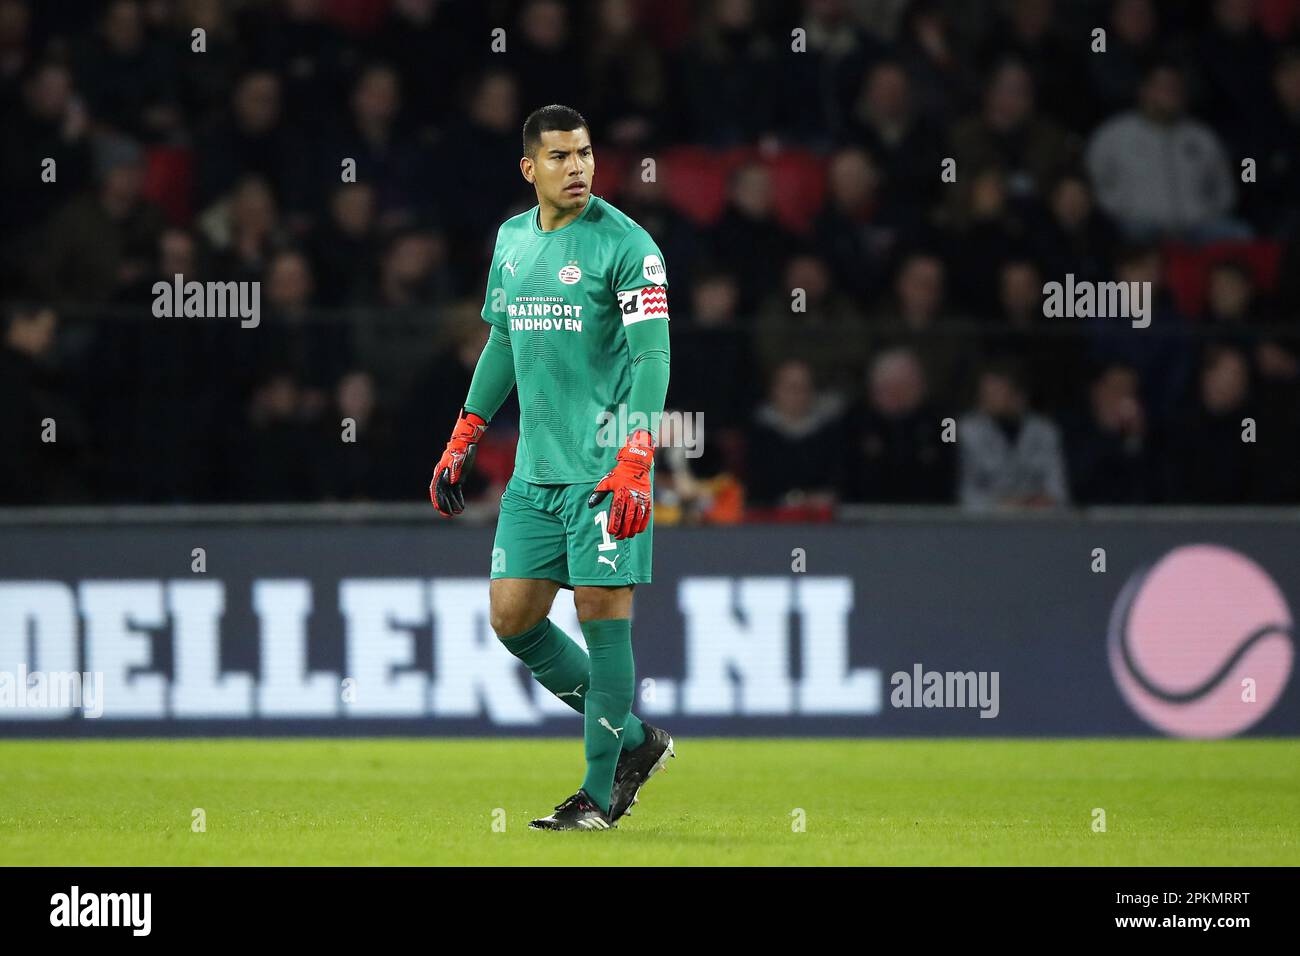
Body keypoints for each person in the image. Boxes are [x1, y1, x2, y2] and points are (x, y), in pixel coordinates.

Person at [429, 105, 674, 831]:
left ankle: (599, 795)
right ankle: (633, 741)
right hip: (535, 475)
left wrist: (636, 453)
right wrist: (464, 432)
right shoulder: (510, 241)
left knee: (602, 617)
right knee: (512, 619)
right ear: (529, 168)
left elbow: (651, 357)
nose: (578, 168)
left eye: (587, 154)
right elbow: (503, 341)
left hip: (605, 469)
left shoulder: (630, 246)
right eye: (561, 156)